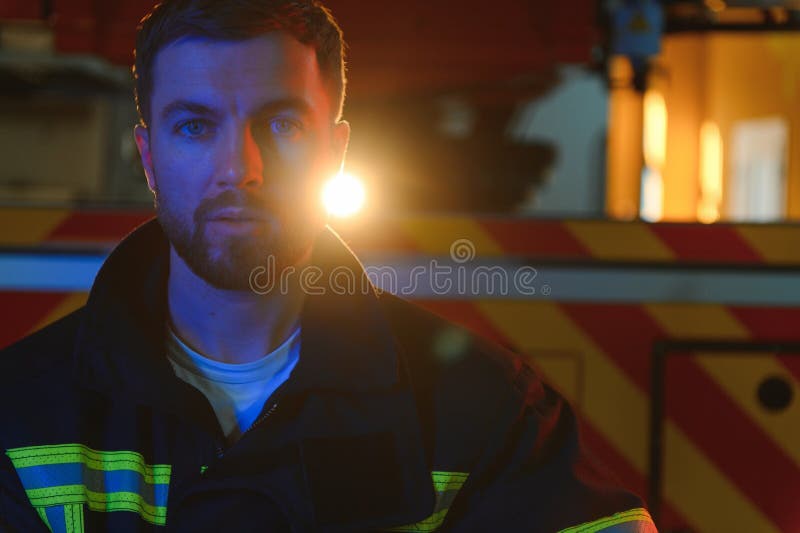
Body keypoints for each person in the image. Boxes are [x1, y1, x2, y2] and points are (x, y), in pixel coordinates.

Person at [0, 1, 657, 531]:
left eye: (282, 125)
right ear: (149, 159)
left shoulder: (487, 413)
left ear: (335, 153)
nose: (240, 169)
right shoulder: (21, 411)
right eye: (195, 127)